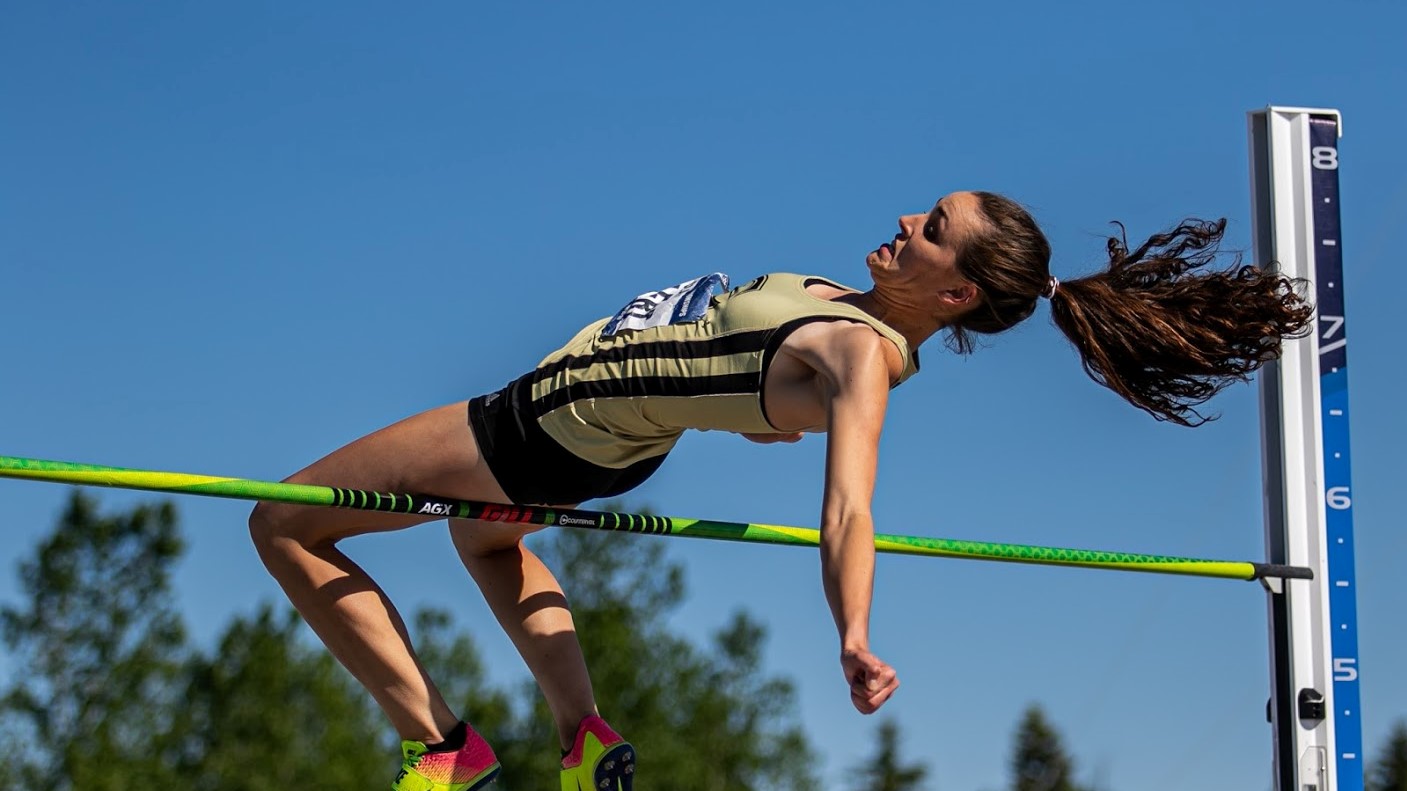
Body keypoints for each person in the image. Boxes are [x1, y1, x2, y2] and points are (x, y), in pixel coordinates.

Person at [247, 190, 1313, 791]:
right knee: (488, 546)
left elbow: (850, 501)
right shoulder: (840, 301)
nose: (909, 215)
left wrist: (853, 631)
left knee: (285, 523)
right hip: (589, 438)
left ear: (952, 291)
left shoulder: (863, 351)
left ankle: (442, 743)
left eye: (932, 228)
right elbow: (752, 391)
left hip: (536, 427)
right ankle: (582, 734)